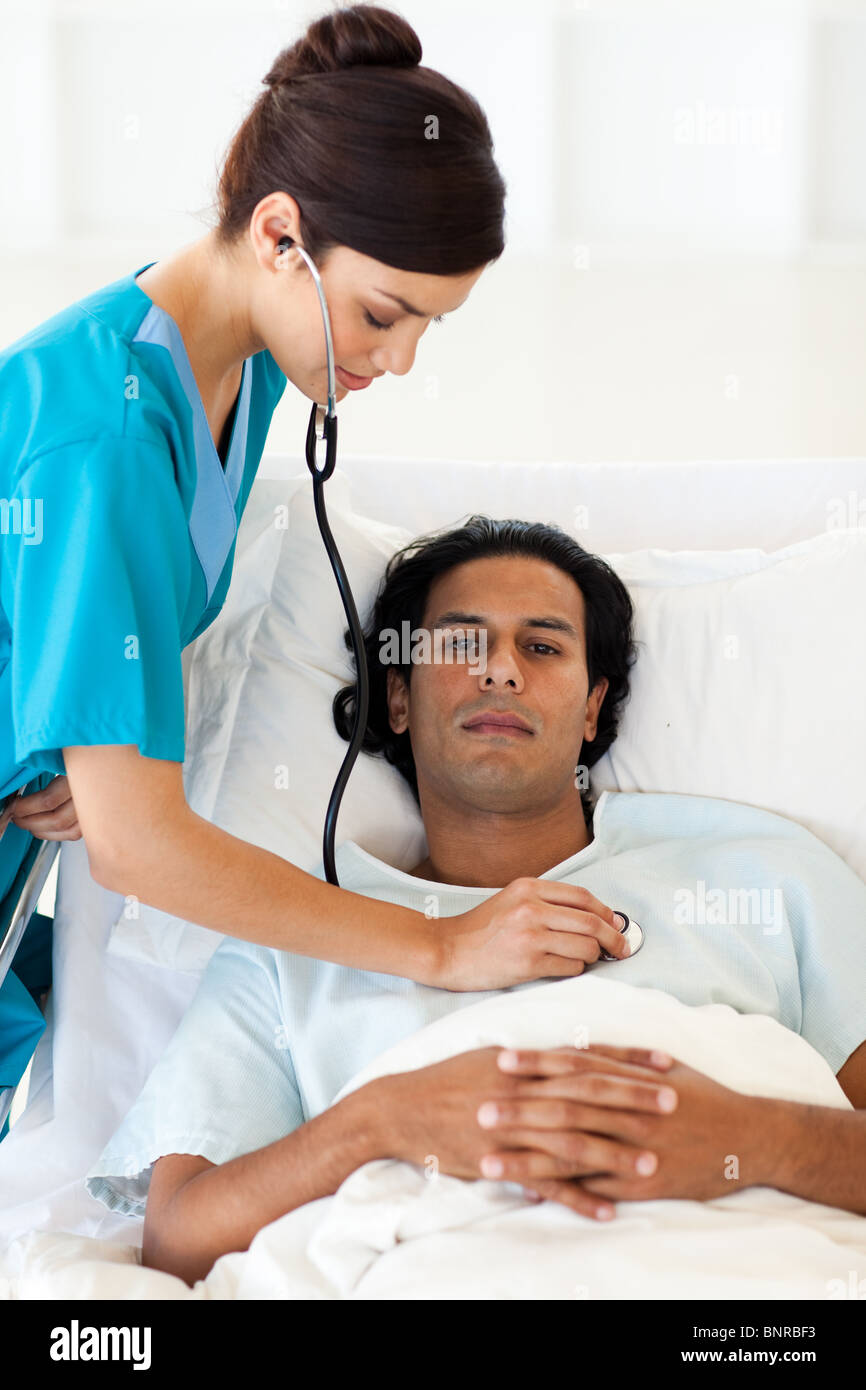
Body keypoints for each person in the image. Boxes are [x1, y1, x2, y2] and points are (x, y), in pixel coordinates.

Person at [0, 6, 602, 1131]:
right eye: (385, 314)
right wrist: (440, 943)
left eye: (430, 325)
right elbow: (142, 846)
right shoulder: (103, 434)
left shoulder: (243, 364)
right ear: (280, 234)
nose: (400, 359)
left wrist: (71, 742)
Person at [85, 518, 866, 1287]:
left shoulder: (760, 877)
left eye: (543, 646)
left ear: (593, 709)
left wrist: (753, 1139)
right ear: (397, 697)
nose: (500, 670)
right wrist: (378, 1123)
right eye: (460, 644)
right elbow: (177, 1241)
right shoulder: (290, 939)